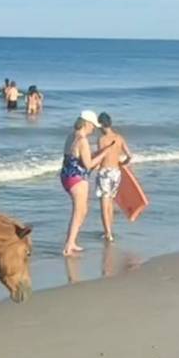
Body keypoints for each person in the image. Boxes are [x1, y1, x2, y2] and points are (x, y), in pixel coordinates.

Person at [61, 110, 115, 256]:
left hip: (66, 175)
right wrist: (105, 153)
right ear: (87, 124)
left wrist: (100, 152)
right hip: (77, 178)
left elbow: (78, 158)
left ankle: (72, 241)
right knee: (79, 211)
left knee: (83, 210)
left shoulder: (71, 136)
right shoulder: (83, 140)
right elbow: (89, 165)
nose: (94, 129)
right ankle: (69, 245)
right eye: (93, 126)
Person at [94, 112, 134, 242]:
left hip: (105, 173)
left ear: (101, 125)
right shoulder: (119, 138)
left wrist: (92, 167)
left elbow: (101, 157)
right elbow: (129, 155)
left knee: (104, 205)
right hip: (116, 172)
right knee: (110, 203)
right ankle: (109, 230)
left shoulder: (101, 140)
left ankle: (108, 234)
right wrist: (122, 163)